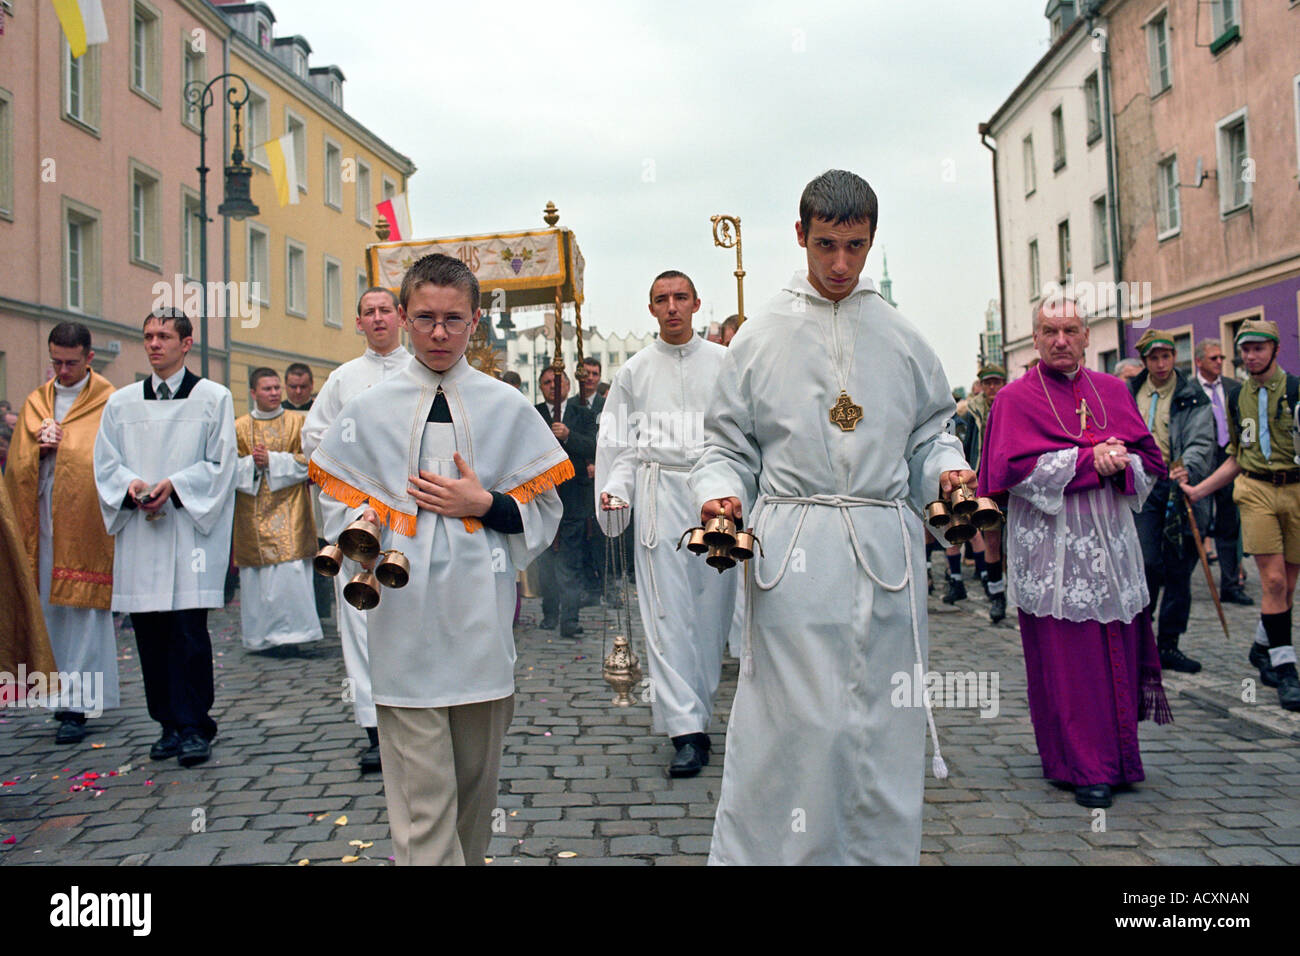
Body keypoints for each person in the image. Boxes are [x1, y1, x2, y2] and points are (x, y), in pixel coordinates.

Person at [689, 169, 973, 864]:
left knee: (881, 723)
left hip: (884, 551)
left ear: (872, 240)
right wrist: (722, 490)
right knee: (798, 725)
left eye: (855, 246)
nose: (840, 264)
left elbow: (931, 433)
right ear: (799, 236)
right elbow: (726, 444)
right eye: (825, 246)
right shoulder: (759, 336)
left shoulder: (902, 336)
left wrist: (947, 471)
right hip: (796, 551)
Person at [309, 253, 567, 865]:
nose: (440, 333)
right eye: (424, 318)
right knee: (423, 804)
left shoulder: (506, 406)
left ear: (475, 320)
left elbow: (544, 512)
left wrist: (487, 502)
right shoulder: (368, 409)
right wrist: (362, 523)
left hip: (479, 618)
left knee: (476, 793)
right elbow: (332, 503)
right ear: (402, 317)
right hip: (404, 621)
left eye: (454, 319)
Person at [980, 298, 1171, 810]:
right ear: (1035, 339)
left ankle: (1122, 758)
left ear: (1087, 336)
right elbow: (1009, 471)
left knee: (1117, 645)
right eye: (1049, 331)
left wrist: (1123, 461)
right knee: (1070, 658)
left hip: (1111, 542)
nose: (1060, 340)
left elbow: (1152, 462)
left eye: (1069, 330)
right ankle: (1081, 764)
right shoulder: (1015, 400)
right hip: (1053, 548)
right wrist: (1091, 461)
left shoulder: (1112, 390)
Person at [597, 270, 736, 777]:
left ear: (697, 303)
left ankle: (700, 707)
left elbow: (743, 435)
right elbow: (619, 443)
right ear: (651, 308)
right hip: (659, 497)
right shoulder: (634, 371)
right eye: (662, 299)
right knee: (665, 613)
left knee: (711, 614)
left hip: (715, 497)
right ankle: (685, 730)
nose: (672, 306)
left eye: (681, 297)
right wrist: (617, 490)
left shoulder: (726, 363)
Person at [93, 309, 237, 768]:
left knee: (188, 634)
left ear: (186, 343)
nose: (154, 344)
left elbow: (221, 465)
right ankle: (167, 725)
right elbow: (106, 464)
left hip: (188, 534)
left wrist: (174, 486)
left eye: (163, 336)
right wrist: (132, 486)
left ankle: (195, 723)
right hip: (141, 534)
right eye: (148, 336)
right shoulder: (121, 403)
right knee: (151, 636)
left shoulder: (213, 398)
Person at [302, 287, 409, 772]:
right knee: (362, 618)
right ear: (358, 322)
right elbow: (315, 440)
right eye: (368, 311)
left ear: (401, 317)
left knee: (413, 615)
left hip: (412, 508)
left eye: (386, 309)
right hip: (356, 514)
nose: (378, 317)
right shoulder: (343, 380)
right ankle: (373, 727)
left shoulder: (422, 372)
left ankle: (416, 717)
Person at [4, 323, 119, 741]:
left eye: (71, 362)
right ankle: (57, 696)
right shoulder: (37, 401)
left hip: (88, 525)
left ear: (89, 358)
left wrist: (67, 445)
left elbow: (113, 460)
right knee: (51, 610)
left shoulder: (110, 402)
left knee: (84, 612)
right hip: (44, 523)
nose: (62, 370)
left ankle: (79, 704)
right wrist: (39, 451)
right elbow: (16, 467)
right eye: (55, 361)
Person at [1182, 319, 1300, 710]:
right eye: (1245, 350)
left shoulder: (1296, 391)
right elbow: (1237, 456)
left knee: (1288, 585)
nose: (1250, 356)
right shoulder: (1235, 396)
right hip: (1255, 490)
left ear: (1275, 350)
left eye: (1258, 349)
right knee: (1274, 580)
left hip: (1296, 490)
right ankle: (1286, 668)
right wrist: (1200, 490)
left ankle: (1262, 646)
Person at [1128, 329, 1215, 674]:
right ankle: (1141, 636)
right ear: (1145, 361)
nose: (1161, 364)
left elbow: (1202, 439)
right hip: (1140, 484)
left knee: (1179, 567)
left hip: (1177, 484)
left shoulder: (1192, 395)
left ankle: (1170, 644)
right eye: (1154, 358)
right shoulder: (1129, 391)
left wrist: (1189, 467)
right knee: (1146, 561)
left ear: (1174, 357)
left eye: (1166, 356)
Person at [233, 368, 322, 654]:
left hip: (290, 510)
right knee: (258, 578)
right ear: (253, 393)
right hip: (253, 513)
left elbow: (311, 461)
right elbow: (225, 469)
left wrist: (273, 460)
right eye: (266, 389)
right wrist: (252, 465)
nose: (273, 393)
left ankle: (295, 636)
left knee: (290, 575)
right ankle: (262, 639)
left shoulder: (299, 423)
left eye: (275, 388)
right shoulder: (239, 427)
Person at [533, 366, 597, 637]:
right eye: (547, 382)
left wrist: (568, 435)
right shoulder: (533, 413)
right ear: (541, 387)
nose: (552, 387)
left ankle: (570, 619)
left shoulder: (581, 412)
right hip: (544, 497)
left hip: (573, 497)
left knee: (570, 561)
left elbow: (593, 446)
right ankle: (550, 613)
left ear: (569, 387)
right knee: (546, 560)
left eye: (557, 382)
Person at [944, 364, 1008, 622]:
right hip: (984, 480)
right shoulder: (972, 411)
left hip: (1012, 479)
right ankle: (996, 596)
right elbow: (966, 444)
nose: (993, 387)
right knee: (990, 539)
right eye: (988, 383)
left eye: (997, 382)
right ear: (982, 385)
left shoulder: (1011, 403)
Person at [1193, 339, 1252, 605]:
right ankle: (1184, 581)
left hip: (1229, 459)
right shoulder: (1188, 390)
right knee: (1199, 523)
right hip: (1202, 463)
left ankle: (1230, 583)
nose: (1219, 362)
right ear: (1199, 362)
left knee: (1230, 523)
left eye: (1221, 358)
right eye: (1213, 358)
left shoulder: (1233, 388)